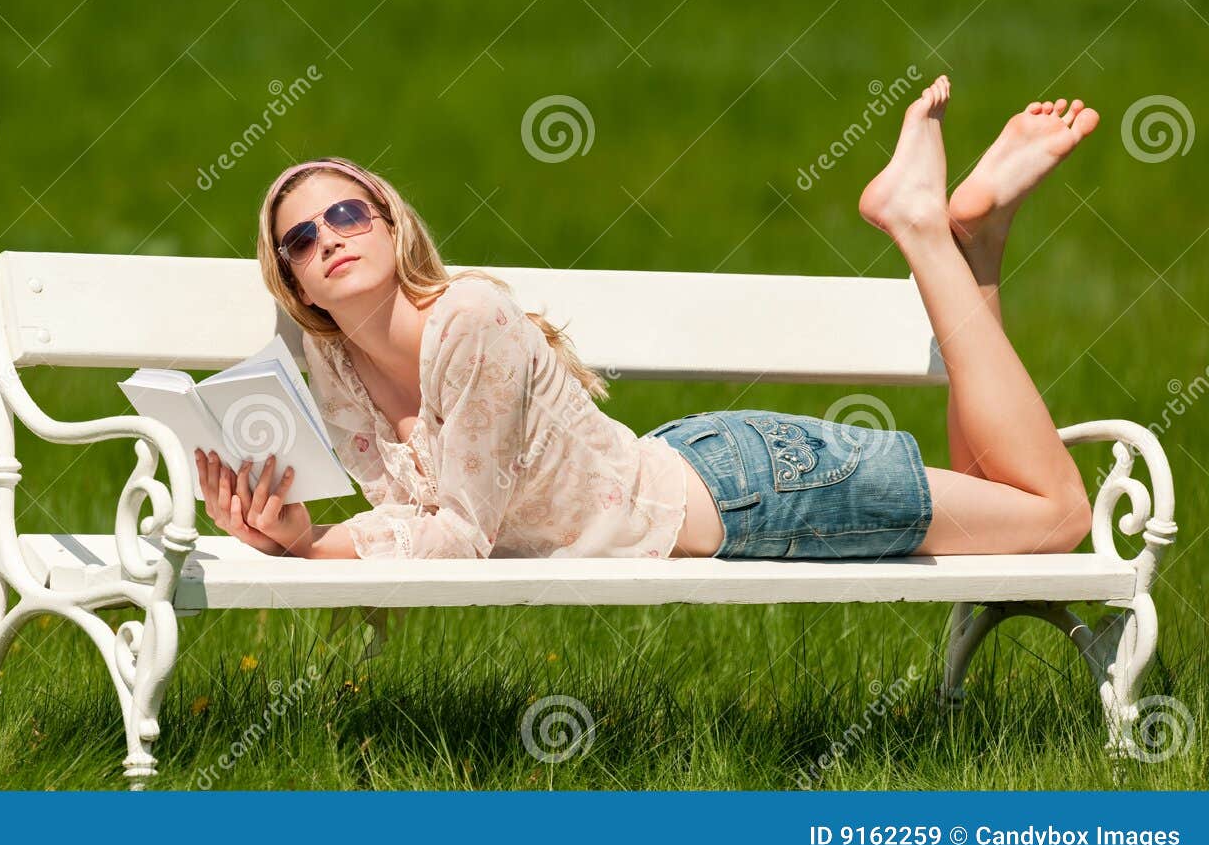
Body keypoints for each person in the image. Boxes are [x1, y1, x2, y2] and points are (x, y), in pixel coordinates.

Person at [194, 76, 1102, 561]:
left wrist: (312, 548)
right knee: (1000, 498)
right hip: (712, 479)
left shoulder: (469, 318)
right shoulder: (338, 369)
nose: (329, 238)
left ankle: (920, 227)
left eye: (348, 213)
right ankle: (973, 240)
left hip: (765, 495)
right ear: (296, 284)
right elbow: (415, 525)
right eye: (301, 239)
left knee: (1054, 515)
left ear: (393, 223)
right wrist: (288, 530)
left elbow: (458, 537)